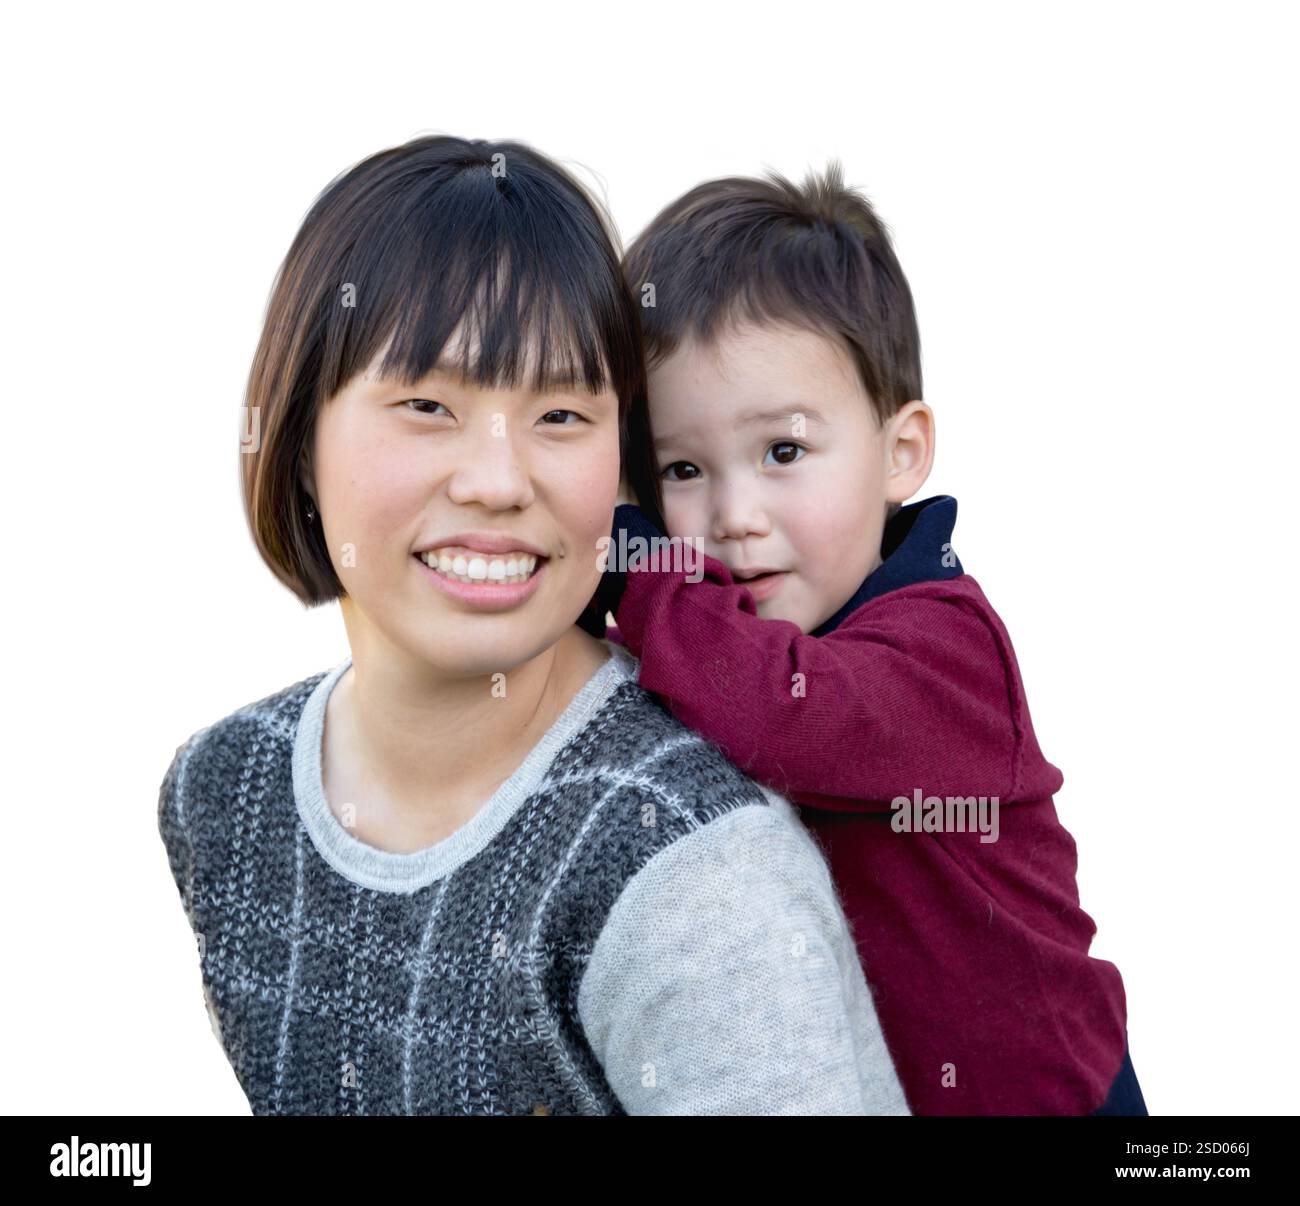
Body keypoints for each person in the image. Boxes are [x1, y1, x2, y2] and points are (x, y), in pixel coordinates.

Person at [156, 135, 911, 1116]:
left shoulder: (693, 866)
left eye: (561, 415)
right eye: (427, 403)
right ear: (299, 438)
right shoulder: (225, 789)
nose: (499, 483)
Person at [600, 164, 1147, 1115]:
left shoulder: (944, 646)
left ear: (901, 454)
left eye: (784, 452)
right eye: (683, 468)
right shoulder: (721, 634)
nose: (734, 516)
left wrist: (637, 571)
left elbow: (778, 714)